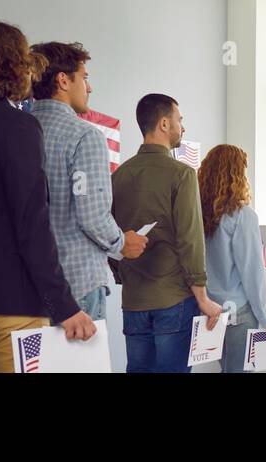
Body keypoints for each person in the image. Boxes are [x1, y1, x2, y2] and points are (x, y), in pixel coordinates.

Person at [0, 19, 96, 373]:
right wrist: (64, 304)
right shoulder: (16, 126)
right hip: (11, 306)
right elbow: (31, 223)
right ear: (12, 64)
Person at [30, 41, 147, 322]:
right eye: (84, 77)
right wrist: (121, 243)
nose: (89, 87)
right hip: (79, 282)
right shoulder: (85, 135)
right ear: (63, 81)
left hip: (30, 286)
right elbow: (92, 214)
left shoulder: (21, 130)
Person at [112, 94, 223, 373]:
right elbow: (190, 240)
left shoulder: (119, 175)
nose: (182, 127)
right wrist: (202, 298)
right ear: (163, 123)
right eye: (179, 120)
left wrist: (122, 275)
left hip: (133, 301)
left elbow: (107, 234)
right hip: (173, 301)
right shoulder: (182, 174)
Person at [198, 144, 266, 373]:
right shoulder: (242, 215)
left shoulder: (196, 213)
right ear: (237, 174)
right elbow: (252, 270)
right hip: (238, 311)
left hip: (207, 309)